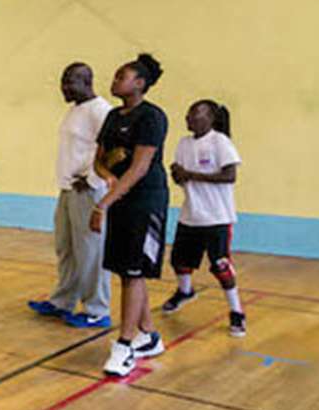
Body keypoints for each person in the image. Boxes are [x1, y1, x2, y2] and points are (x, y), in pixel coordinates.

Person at [91, 53, 168, 378]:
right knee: (126, 270)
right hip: (120, 198)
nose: (115, 79)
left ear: (139, 83)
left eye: (122, 75)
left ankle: (124, 347)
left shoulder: (151, 117)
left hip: (145, 201)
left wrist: (103, 203)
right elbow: (99, 159)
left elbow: (139, 167)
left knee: (134, 271)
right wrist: (106, 172)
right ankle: (148, 335)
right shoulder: (111, 117)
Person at [28, 63, 114, 328]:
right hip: (67, 189)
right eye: (62, 82)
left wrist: (91, 178)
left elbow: (113, 150)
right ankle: (63, 300)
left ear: (86, 81)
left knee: (91, 251)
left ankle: (97, 308)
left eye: (69, 82)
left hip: (88, 191)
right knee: (66, 248)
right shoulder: (75, 110)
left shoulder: (101, 111)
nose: (63, 88)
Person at [162, 100, 246, 337]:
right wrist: (177, 175)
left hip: (217, 217)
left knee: (220, 266)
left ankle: (237, 312)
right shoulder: (183, 144)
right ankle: (185, 291)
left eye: (196, 114)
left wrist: (191, 174)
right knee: (179, 261)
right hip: (191, 215)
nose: (189, 118)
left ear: (210, 118)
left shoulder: (220, 141)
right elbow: (181, 178)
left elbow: (230, 176)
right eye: (188, 114)